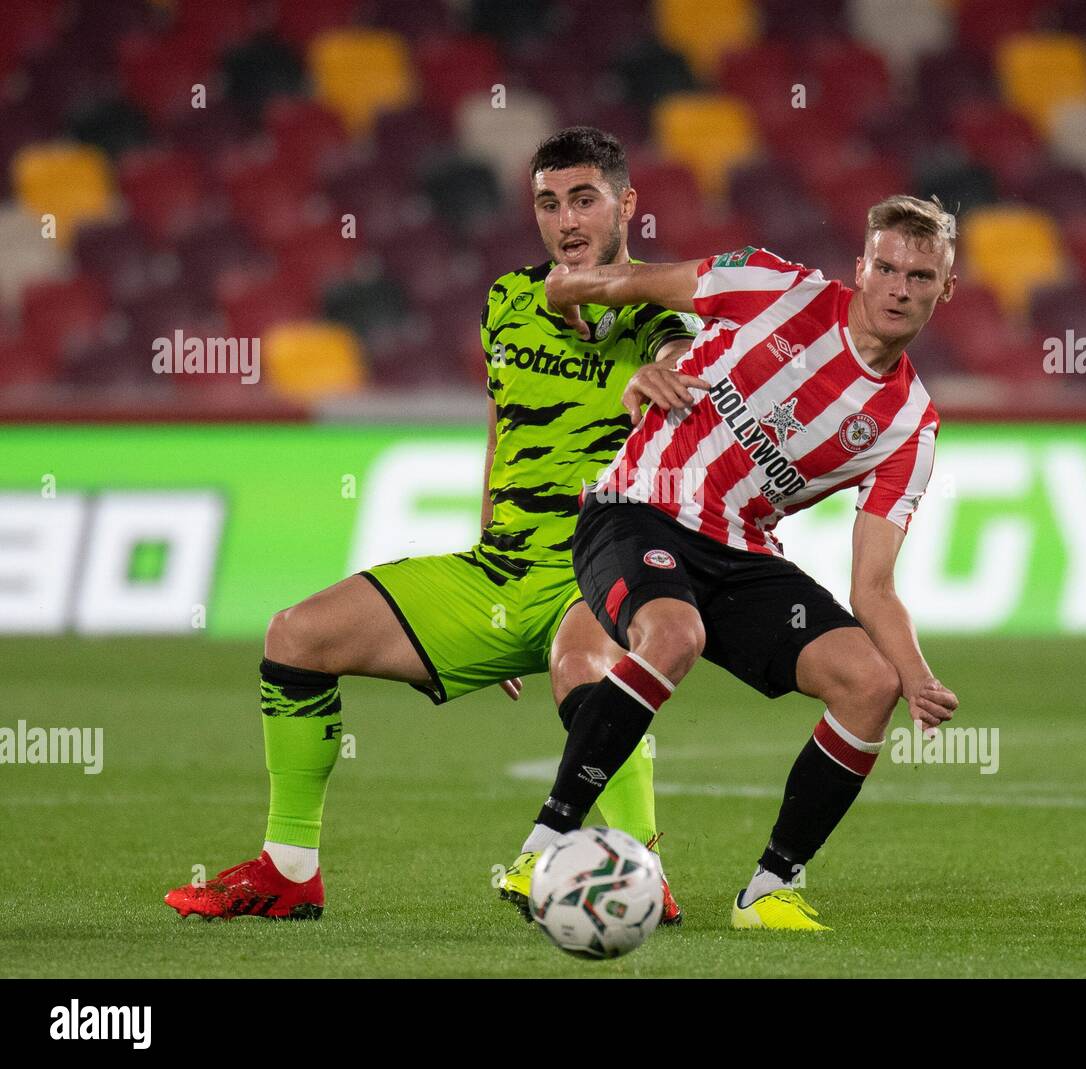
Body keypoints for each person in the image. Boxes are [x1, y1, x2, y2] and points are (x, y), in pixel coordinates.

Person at [164, 127, 697, 923]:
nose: (566, 220)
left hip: (598, 571)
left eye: (584, 199)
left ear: (627, 203)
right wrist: (488, 581)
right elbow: (501, 432)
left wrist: (674, 363)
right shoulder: (508, 300)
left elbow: (684, 340)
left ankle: (641, 870)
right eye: (548, 203)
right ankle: (289, 869)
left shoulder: (655, 306)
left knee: (585, 666)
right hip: (501, 572)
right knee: (294, 636)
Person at [509, 194, 961, 930]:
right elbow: (630, 284)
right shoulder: (772, 285)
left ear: (945, 288)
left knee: (866, 683)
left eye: (919, 275)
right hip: (635, 506)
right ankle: (546, 842)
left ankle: (769, 889)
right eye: (885, 267)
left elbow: (873, 585)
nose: (898, 287)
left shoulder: (910, 426)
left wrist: (916, 674)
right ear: (861, 268)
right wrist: (592, 305)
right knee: (674, 635)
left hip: (738, 550)